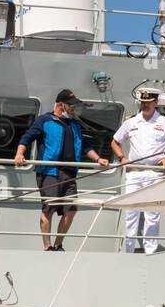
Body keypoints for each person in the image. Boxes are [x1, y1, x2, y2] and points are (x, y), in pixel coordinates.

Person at [15, 88, 107, 252]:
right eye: (71, 106)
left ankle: (58, 244)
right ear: (61, 104)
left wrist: (98, 159)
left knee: (71, 210)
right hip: (50, 172)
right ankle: (47, 246)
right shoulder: (45, 120)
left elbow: (84, 145)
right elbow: (27, 137)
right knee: (48, 209)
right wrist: (20, 153)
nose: (73, 109)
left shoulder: (74, 124)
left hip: (70, 173)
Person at [111, 88, 165, 255]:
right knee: (130, 213)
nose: (145, 105)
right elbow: (115, 141)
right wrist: (122, 157)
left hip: (155, 172)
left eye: (149, 102)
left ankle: (150, 253)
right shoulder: (131, 122)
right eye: (143, 102)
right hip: (134, 173)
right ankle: (128, 252)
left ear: (156, 103)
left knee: (152, 214)